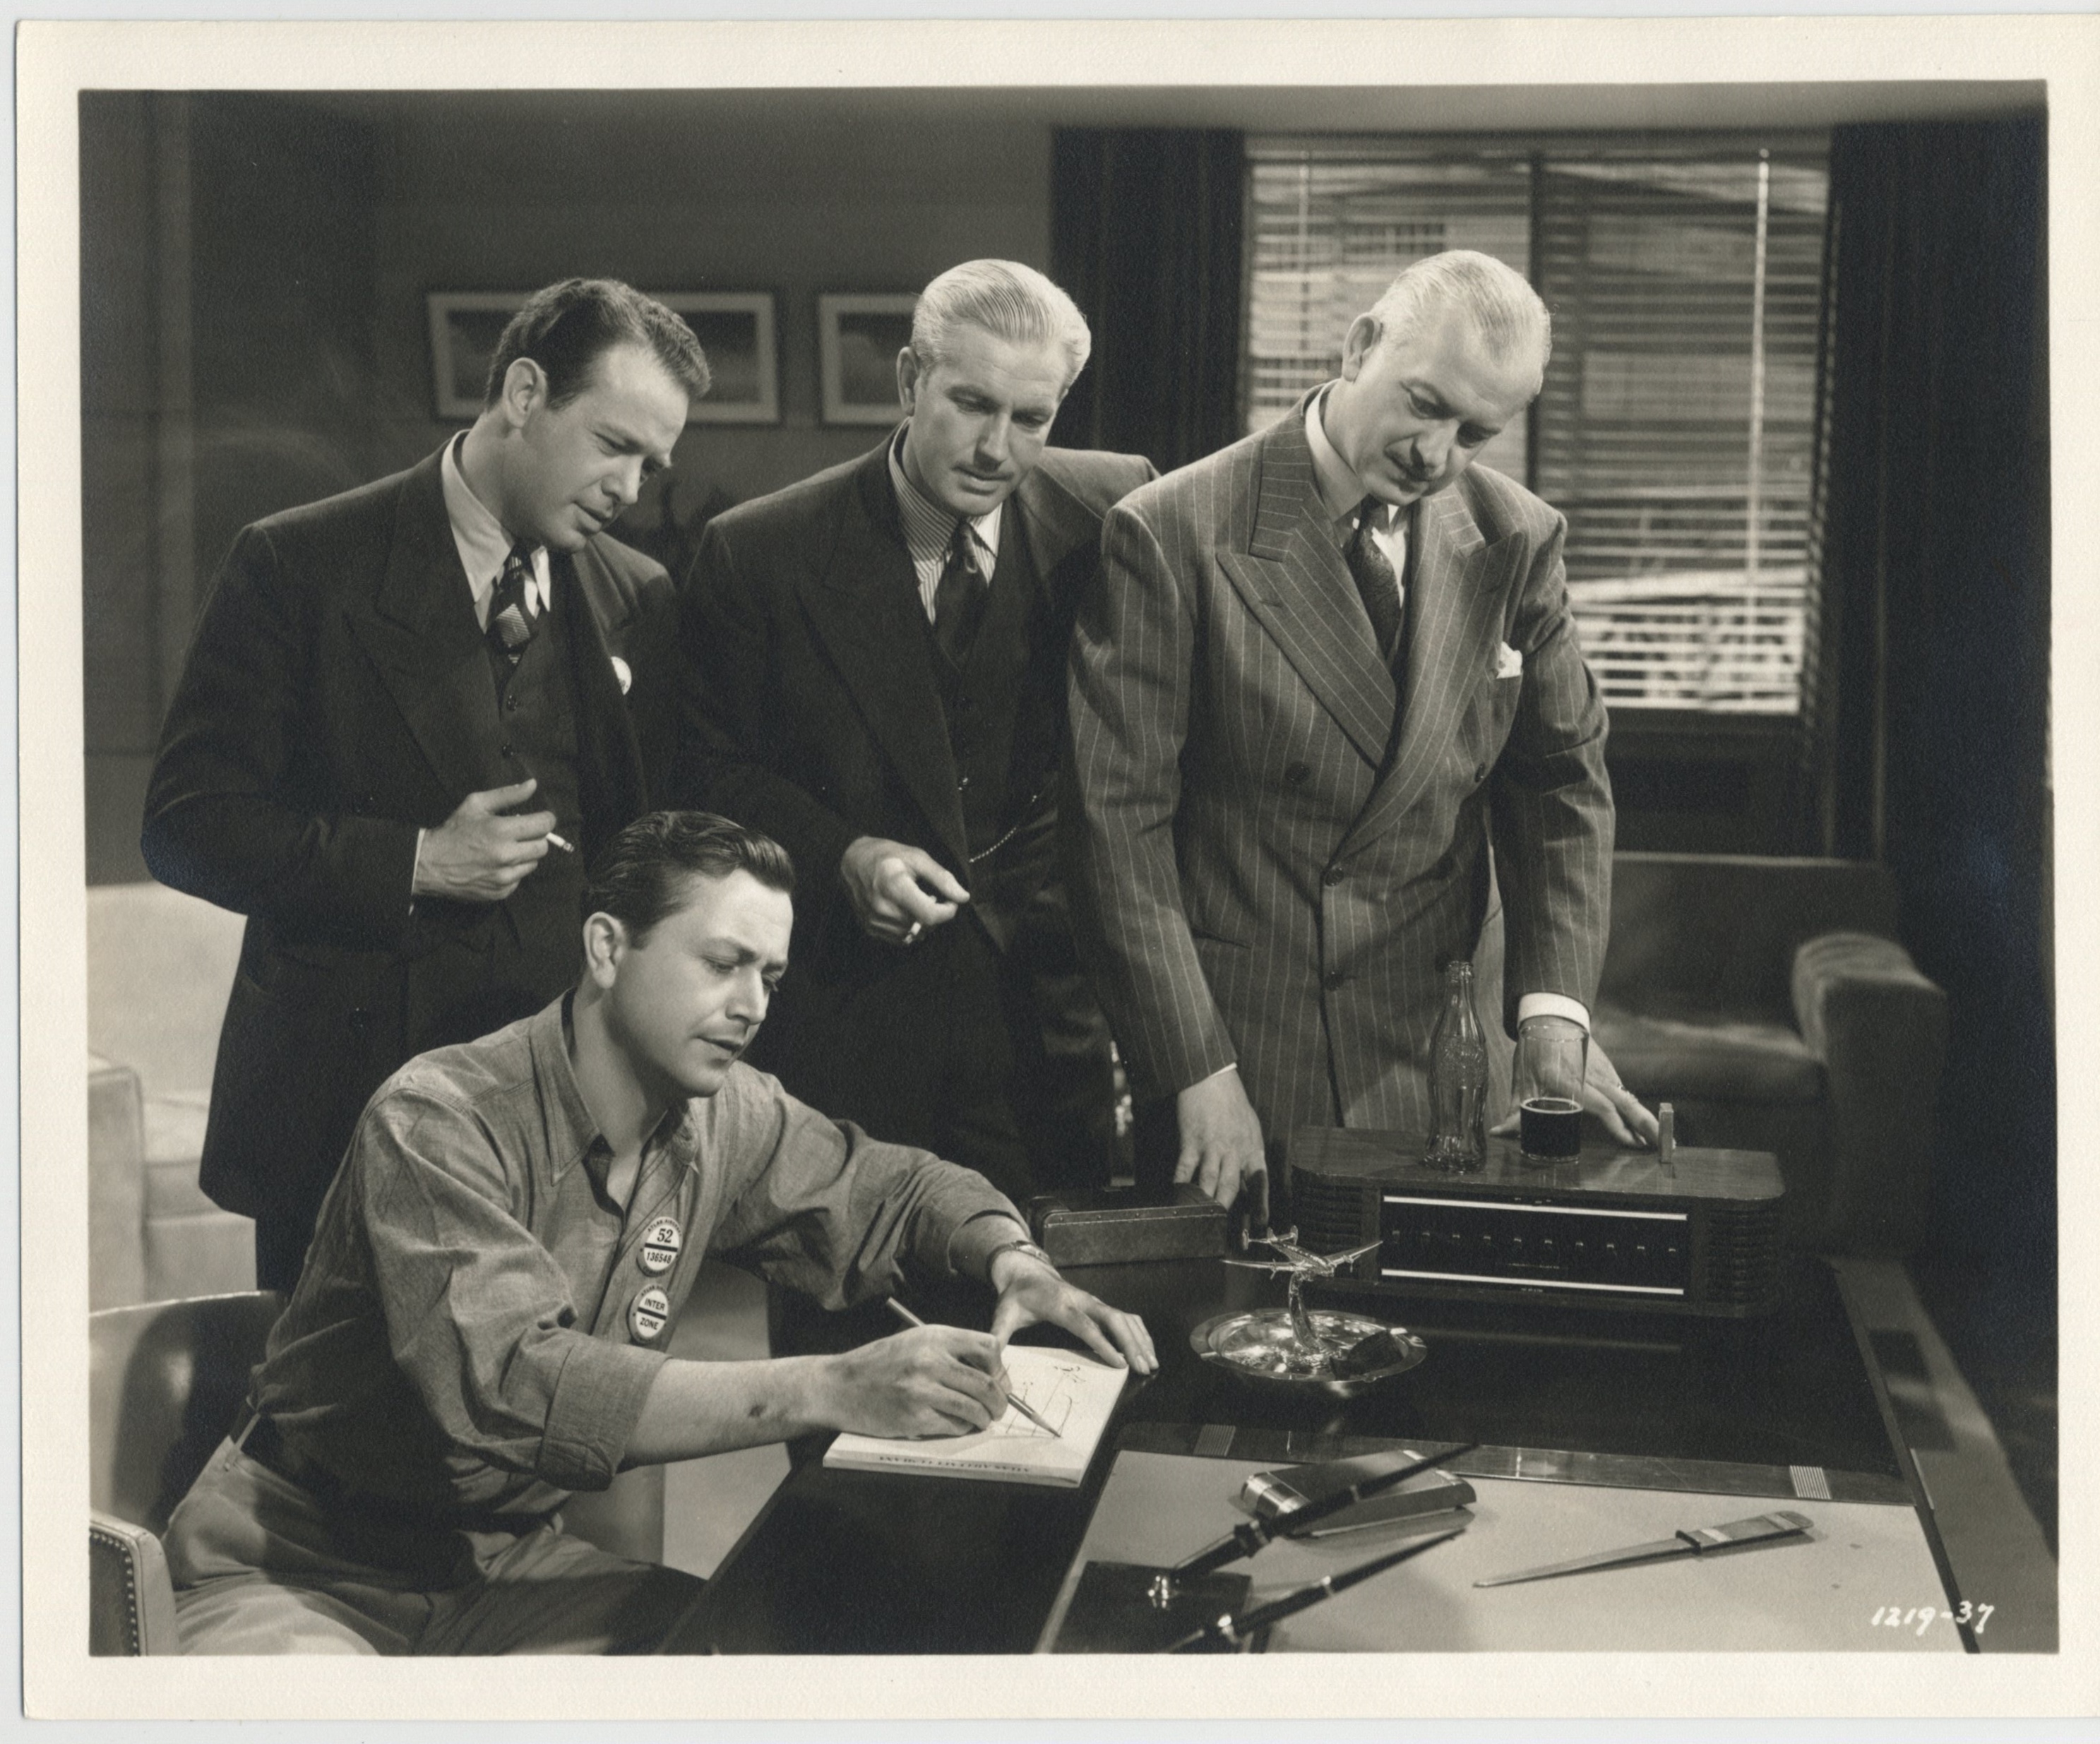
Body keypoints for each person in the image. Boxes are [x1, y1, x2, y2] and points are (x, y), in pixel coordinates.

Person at [160, 811, 1156, 1654]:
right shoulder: (437, 1117)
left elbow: (886, 1185)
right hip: (299, 1564)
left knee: (766, 1676)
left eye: (769, 973)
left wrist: (1011, 1254)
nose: (753, 1005)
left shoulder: (722, 1112)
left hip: (506, 1564)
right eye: (723, 963)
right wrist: (827, 1385)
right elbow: (513, 1379)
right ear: (606, 947)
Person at [1066, 250, 1658, 1220]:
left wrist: (1552, 1017)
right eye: (1423, 404)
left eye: (1474, 432)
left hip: (1445, 1048)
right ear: (1358, 347)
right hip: (1242, 1052)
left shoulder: (1517, 538)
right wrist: (1192, 1066)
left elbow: (1558, 787)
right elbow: (1114, 828)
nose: (1436, 453)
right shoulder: (1172, 530)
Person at [143, 277, 708, 1291]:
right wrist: (413, 860)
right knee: (340, 1435)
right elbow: (189, 824)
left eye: (653, 462)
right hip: (349, 1108)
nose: (631, 487)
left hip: (558, 1121)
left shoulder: (639, 594)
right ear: (526, 393)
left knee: (553, 1426)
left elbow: (643, 847)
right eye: (614, 444)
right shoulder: (298, 562)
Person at [677, 260, 1155, 1205]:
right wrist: (841, 852)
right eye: (971, 403)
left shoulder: (1114, 509)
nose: (997, 448)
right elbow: (700, 770)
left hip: (1049, 1027)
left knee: (1052, 1330)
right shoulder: (758, 550)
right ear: (907, 382)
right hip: (849, 1021)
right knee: (855, 1328)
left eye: (1032, 417)